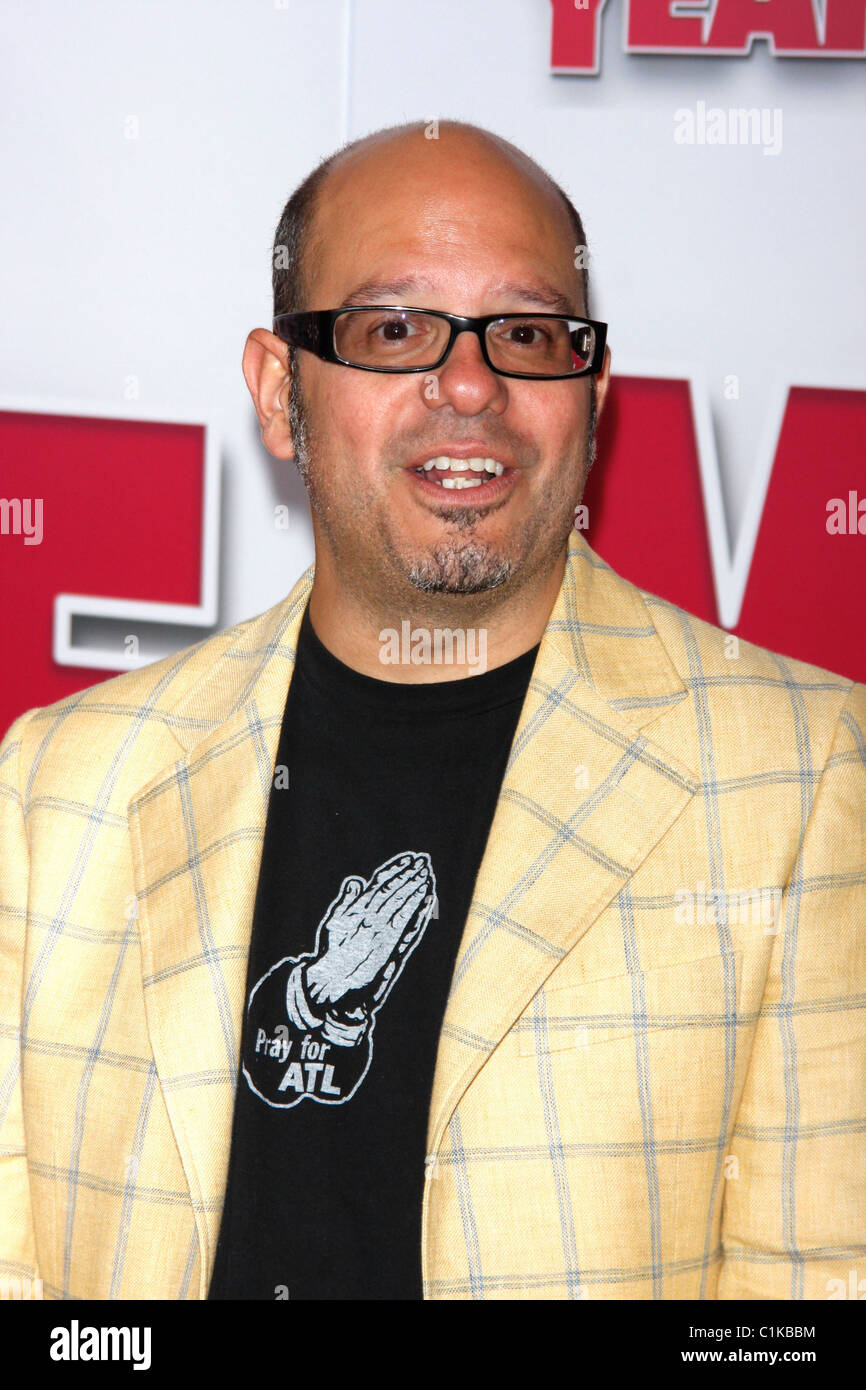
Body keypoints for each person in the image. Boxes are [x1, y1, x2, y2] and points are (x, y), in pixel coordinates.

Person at [0, 120, 863, 1303]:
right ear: (277, 389)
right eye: (393, 328)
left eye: (524, 333)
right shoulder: (59, 789)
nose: (468, 385)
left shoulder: (800, 772)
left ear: (593, 394)